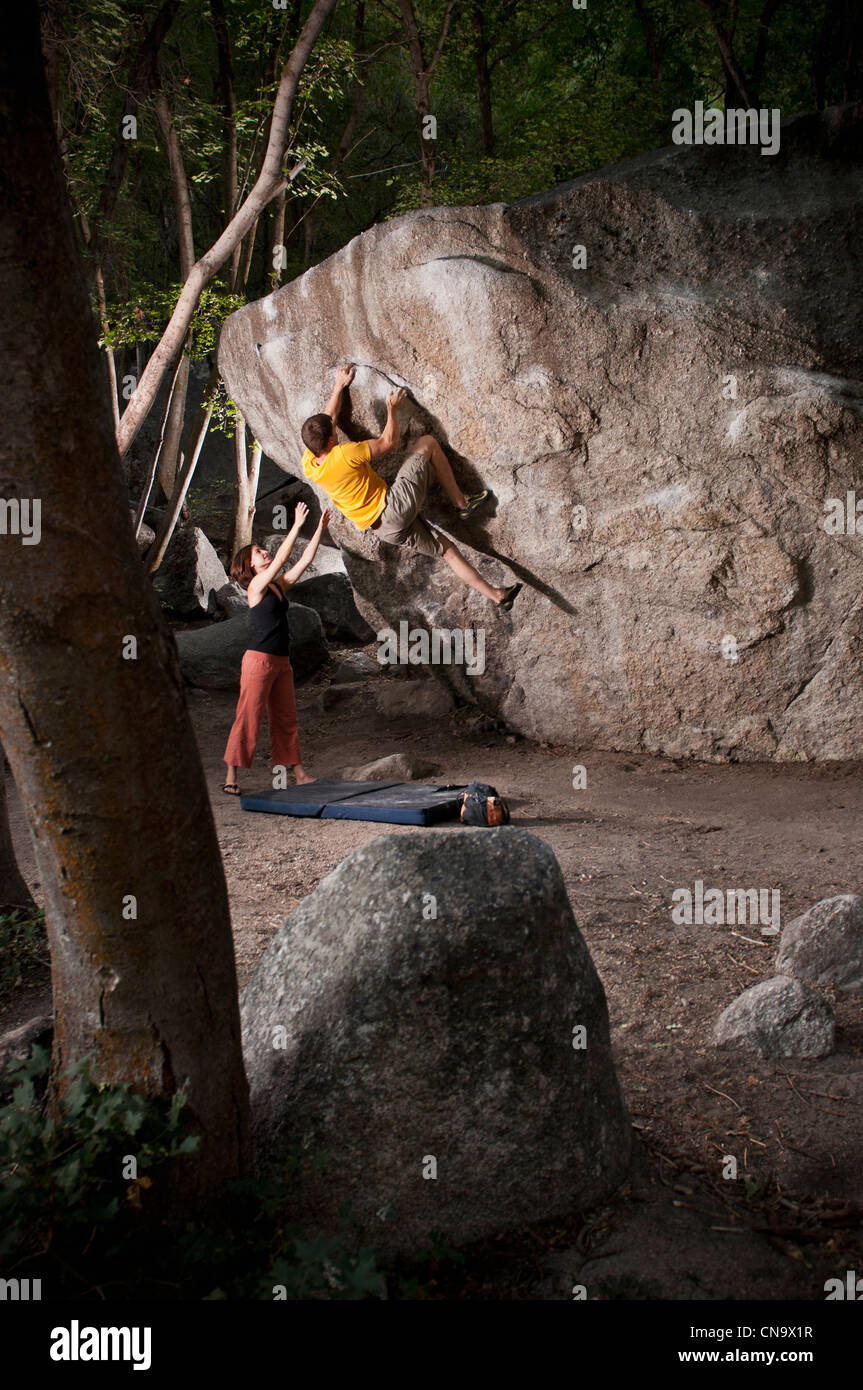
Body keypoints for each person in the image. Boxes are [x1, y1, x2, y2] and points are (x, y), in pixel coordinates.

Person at [300, 364, 522, 610]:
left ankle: (497, 596)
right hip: (394, 506)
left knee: (447, 551)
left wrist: (338, 386)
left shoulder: (310, 463)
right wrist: (391, 409)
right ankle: (462, 503)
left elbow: (327, 421)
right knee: (427, 443)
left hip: (385, 530)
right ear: (332, 438)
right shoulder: (345, 453)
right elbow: (389, 443)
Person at [222, 501, 331, 795]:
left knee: (286, 719)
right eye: (259, 552)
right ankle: (231, 776)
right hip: (258, 661)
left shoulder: (276, 587)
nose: (265, 552)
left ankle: (299, 774)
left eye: (263, 549)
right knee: (249, 716)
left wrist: (319, 529)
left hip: (282, 662)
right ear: (250, 565)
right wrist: (295, 525)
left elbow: (303, 562)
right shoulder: (255, 587)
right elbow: (282, 559)